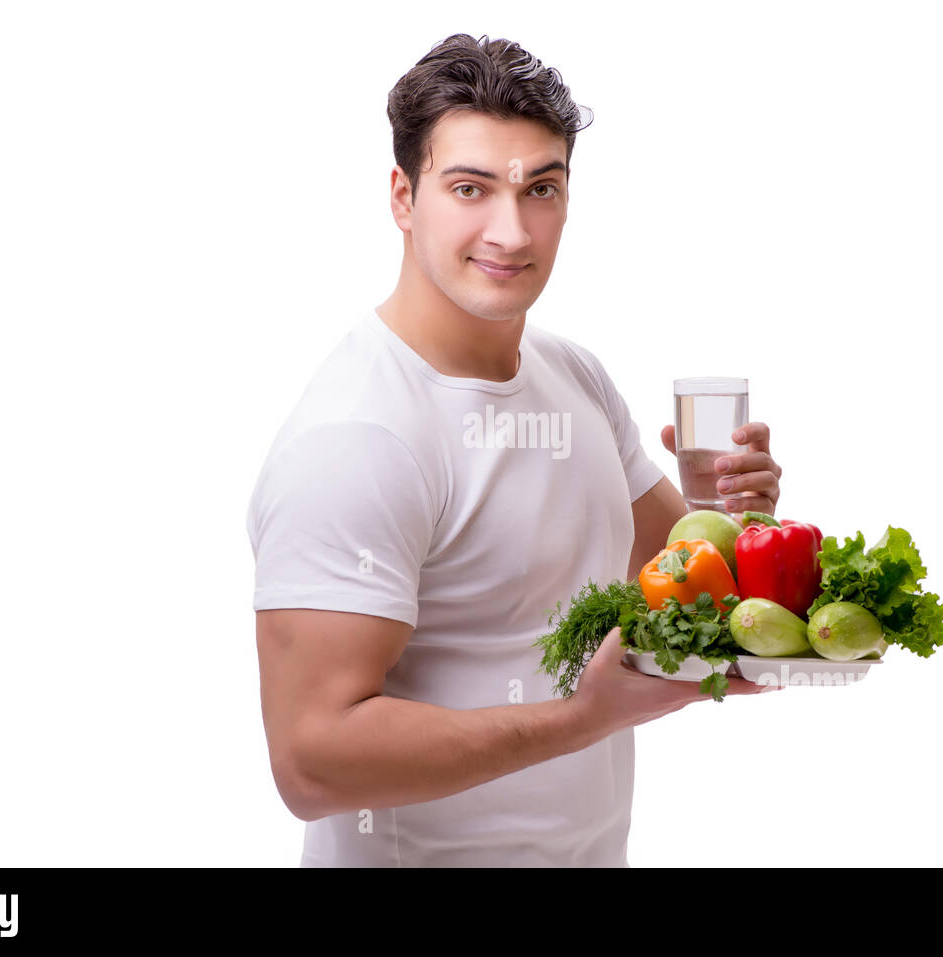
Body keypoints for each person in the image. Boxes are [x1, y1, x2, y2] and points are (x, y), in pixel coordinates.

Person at [245, 33, 784, 867]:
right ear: (402, 195)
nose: (511, 228)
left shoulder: (575, 378)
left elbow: (687, 600)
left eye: (542, 188)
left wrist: (729, 517)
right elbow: (311, 762)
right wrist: (581, 719)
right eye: (471, 187)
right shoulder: (358, 436)